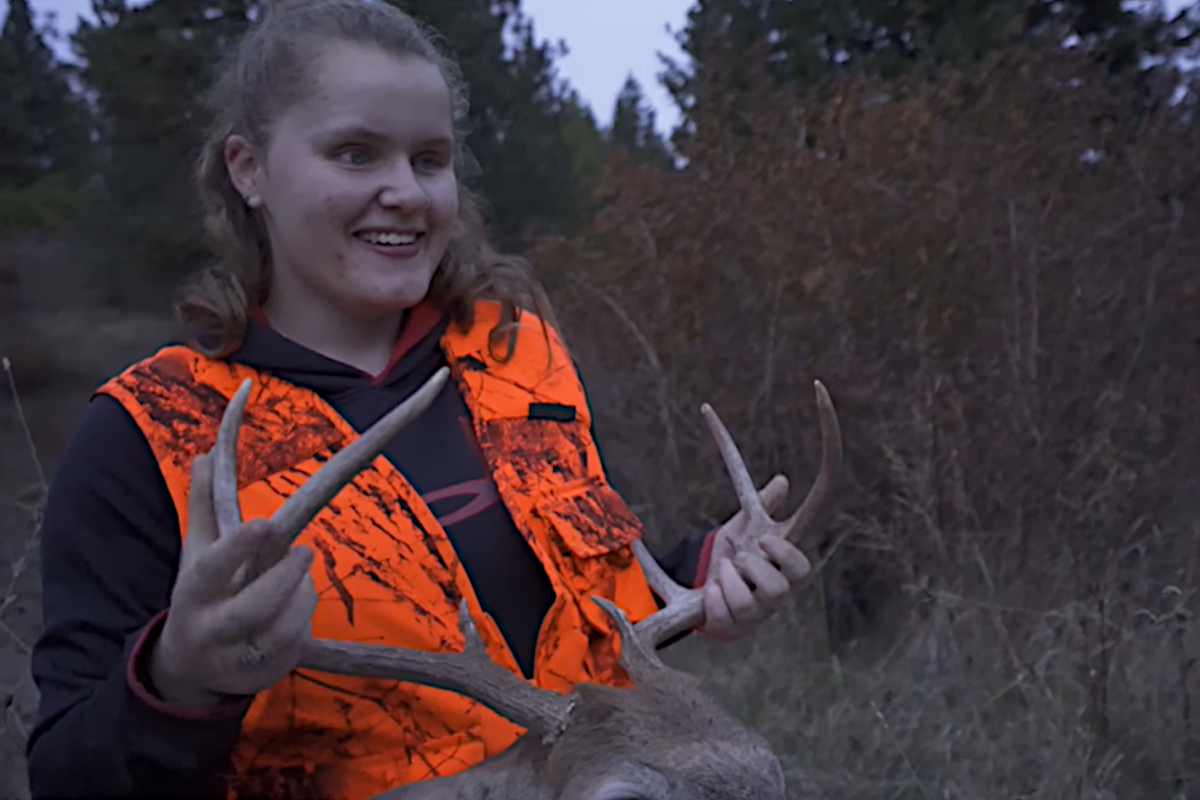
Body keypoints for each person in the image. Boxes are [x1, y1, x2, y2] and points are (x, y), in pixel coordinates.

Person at [26, 2, 813, 798]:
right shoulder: (153, 430)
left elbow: (580, 601)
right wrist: (179, 679)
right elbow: (69, 773)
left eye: (429, 159)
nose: (404, 191)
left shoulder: (518, 355)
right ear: (248, 169)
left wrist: (704, 578)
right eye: (355, 153)